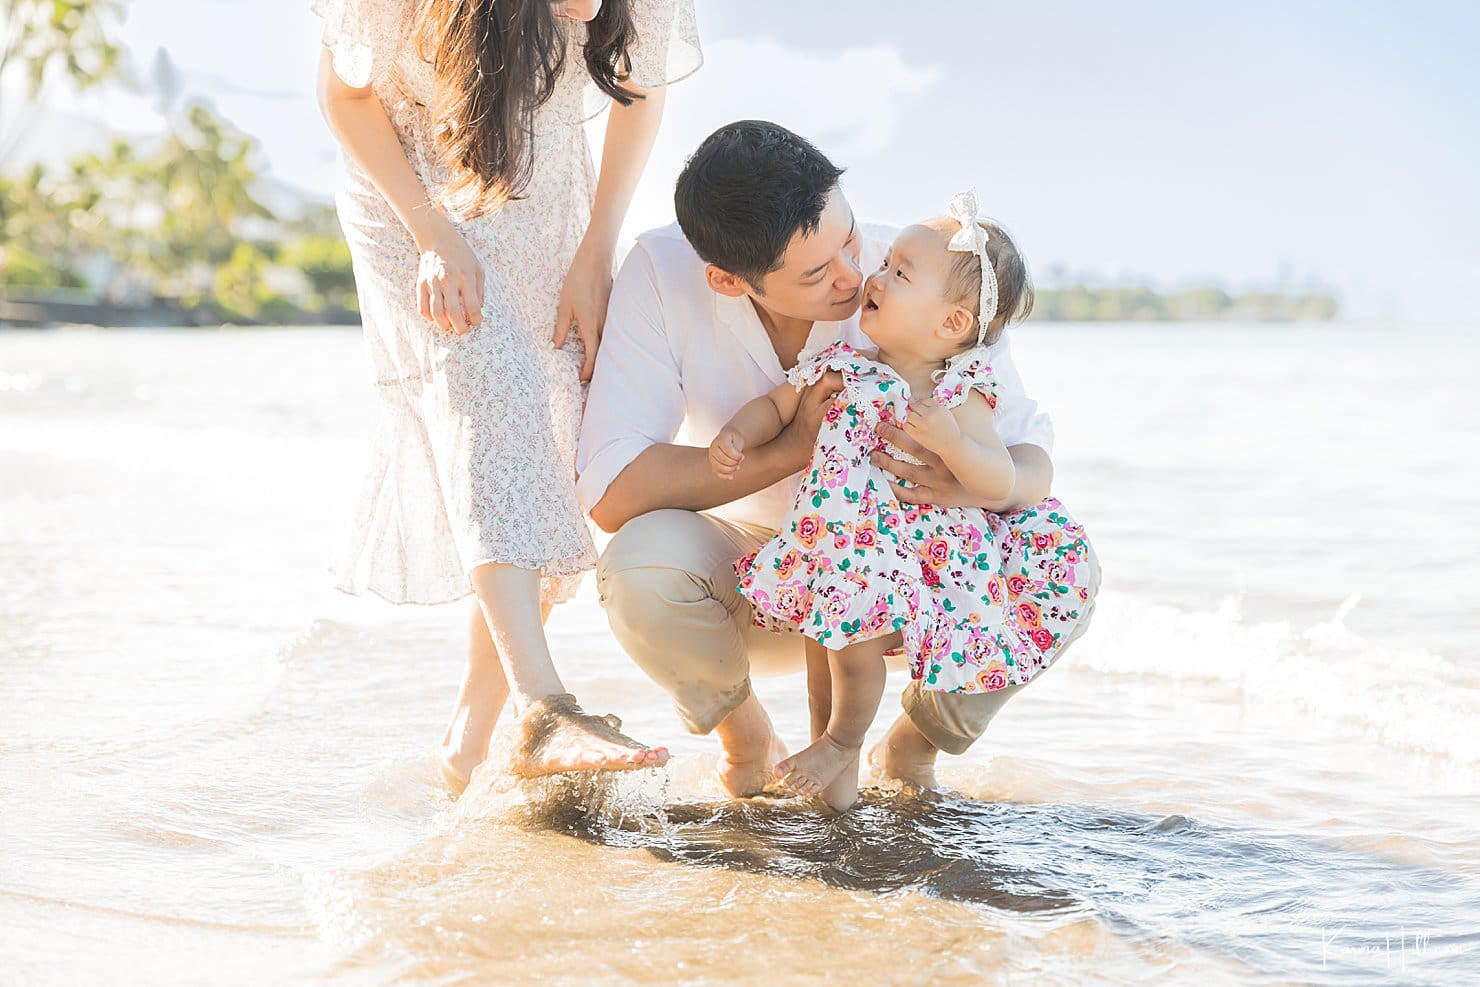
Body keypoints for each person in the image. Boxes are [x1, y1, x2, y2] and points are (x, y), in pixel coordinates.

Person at [577, 121, 1101, 798]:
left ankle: (912, 746)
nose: (856, 276)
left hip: (920, 571)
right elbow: (612, 490)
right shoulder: (663, 273)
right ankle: (750, 740)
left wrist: (970, 482)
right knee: (638, 565)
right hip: (769, 568)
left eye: (850, 238)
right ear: (730, 282)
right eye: (819, 272)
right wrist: (787, 449)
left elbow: (1031, 456)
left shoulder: (929, 269)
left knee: (1067, 567)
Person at [312, 0, 701, 789]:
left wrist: (598, 248)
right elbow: (344, 95)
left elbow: (640, 89)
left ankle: (466, 744)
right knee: (488, 386)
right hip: (411, 191)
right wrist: (434, 236)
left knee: (558, 431)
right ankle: (542, 705)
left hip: (545, 181)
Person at [711, 192, 1096, 810]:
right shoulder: (842, 365)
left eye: (899, 273)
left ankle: (844, 744)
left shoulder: (961, 395)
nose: (876, 278)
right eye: (885, 263)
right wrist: (739, 433)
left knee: (856, 654)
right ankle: (833, 792)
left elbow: (999, 478)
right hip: (839, 542)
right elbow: (779, 405)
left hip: (919, 556)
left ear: (951, 326)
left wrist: (951, 443)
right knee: (831, 658)